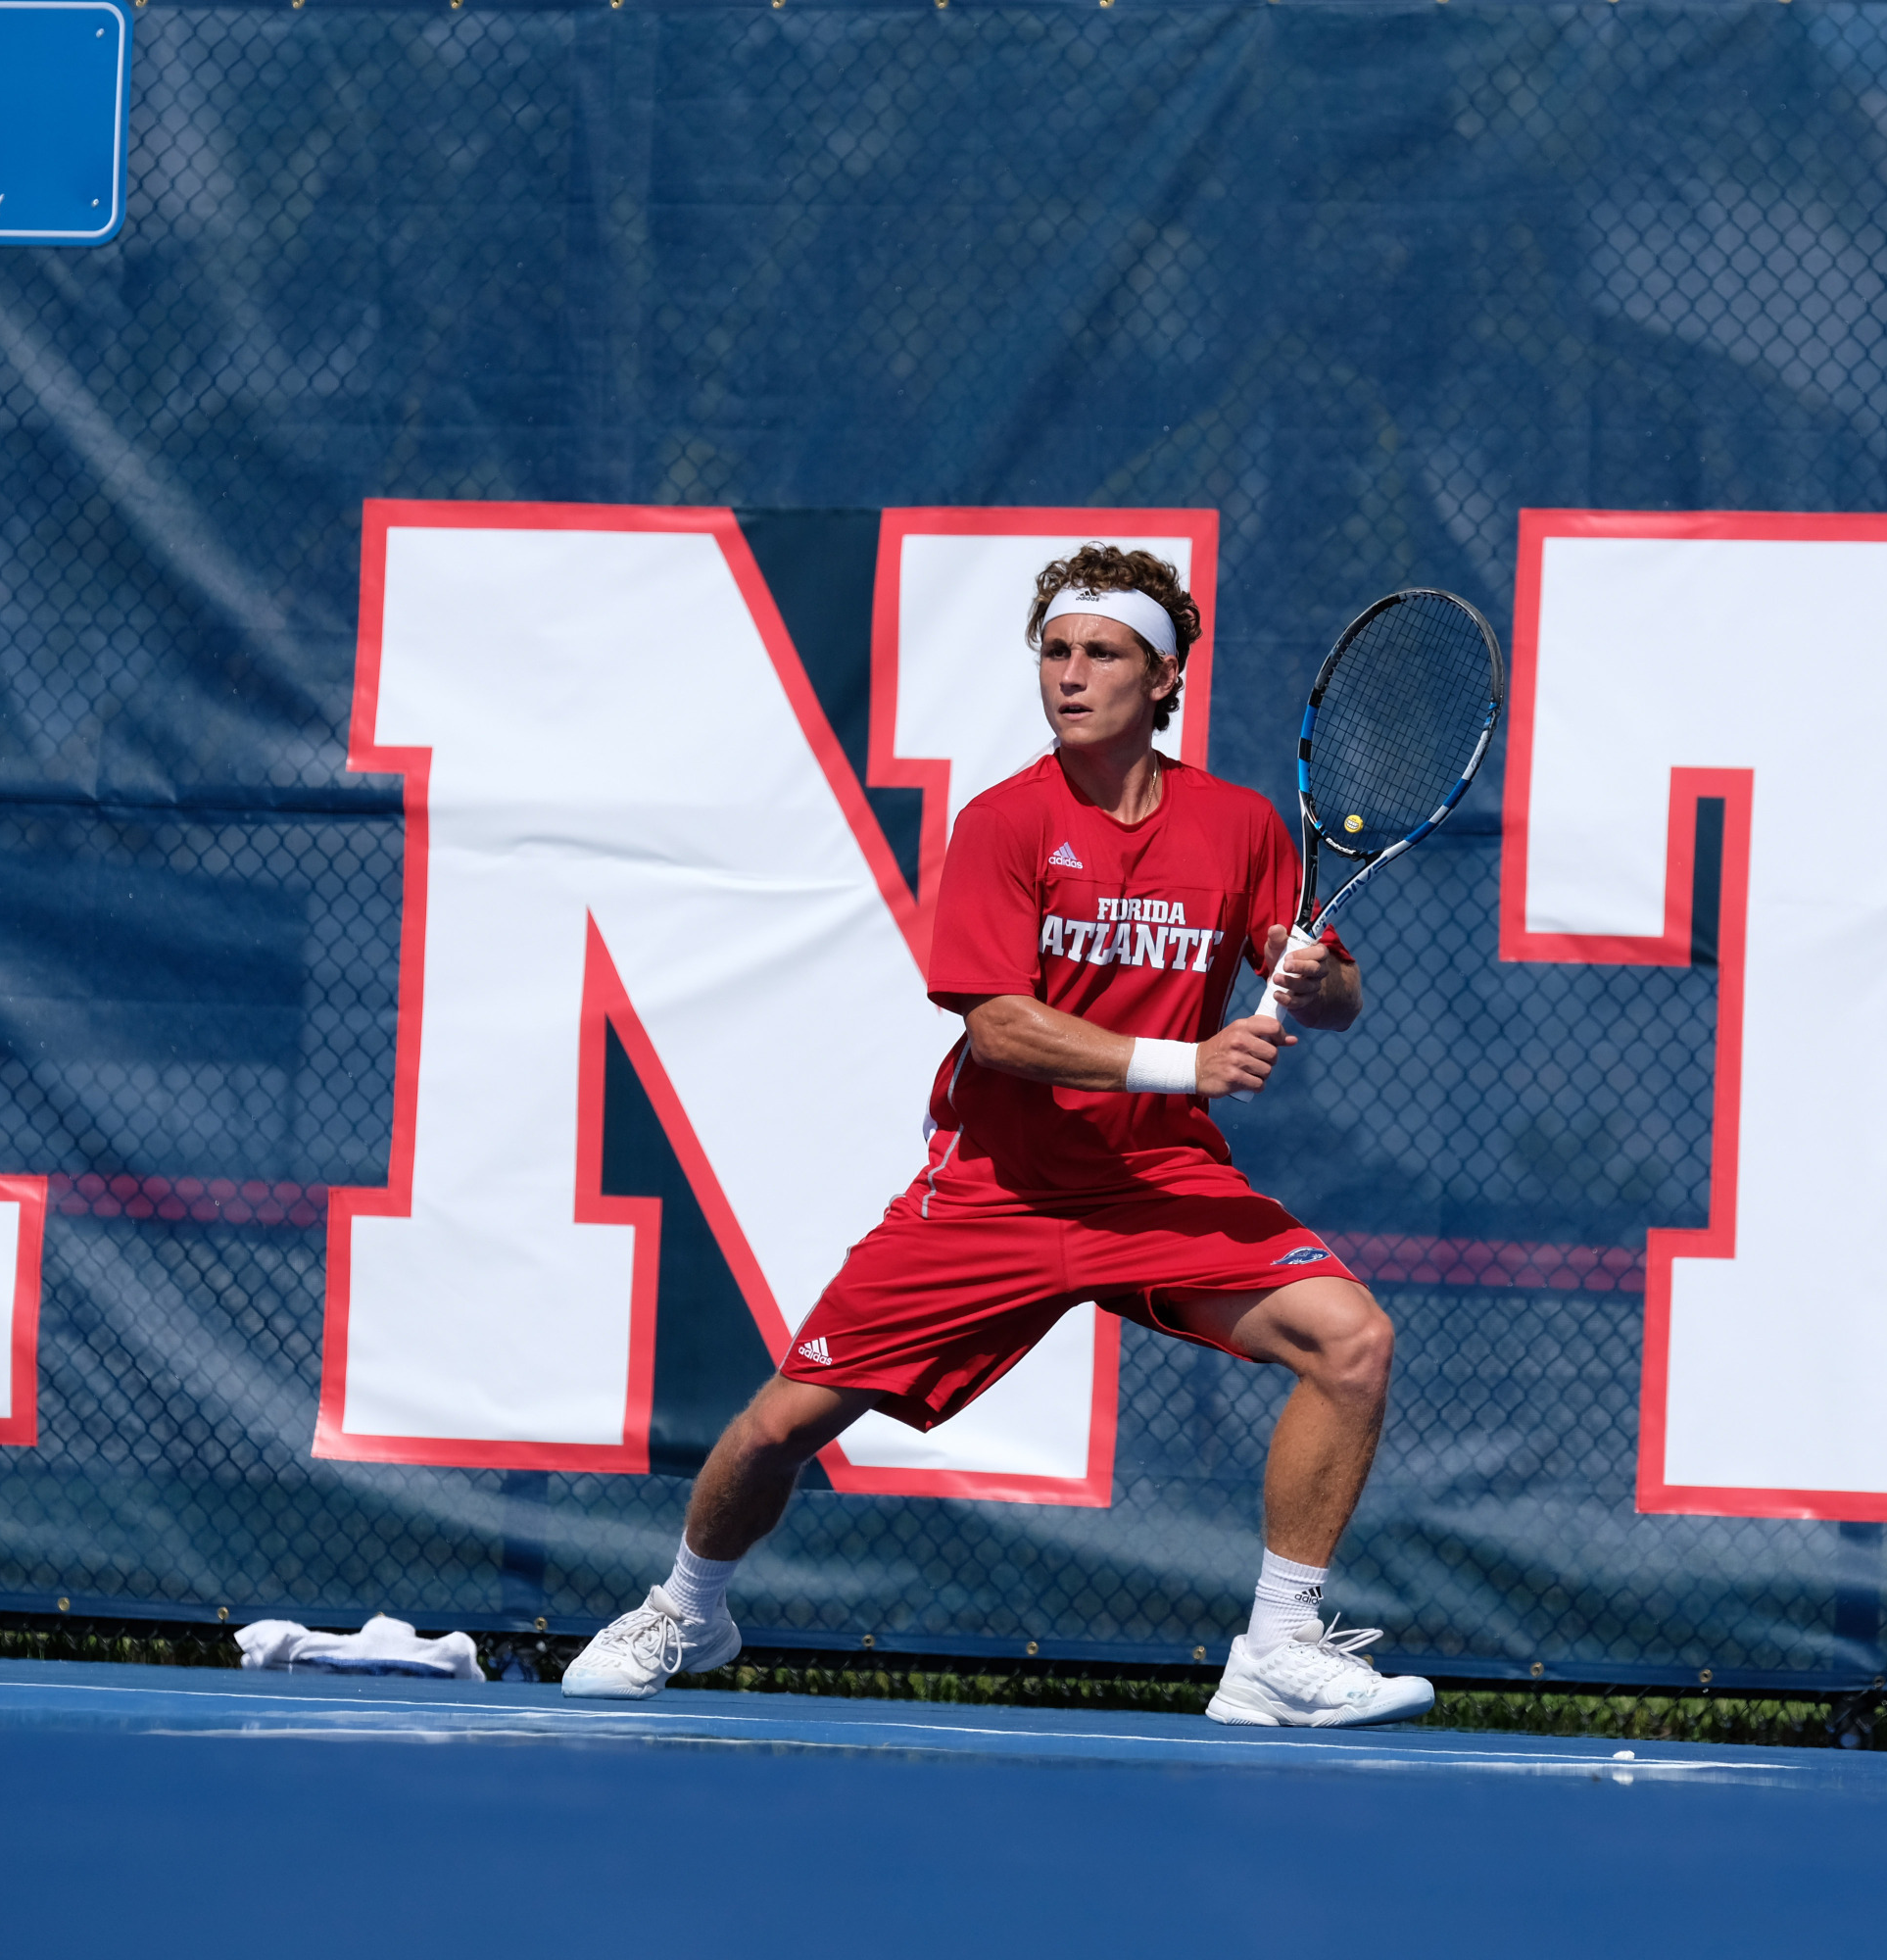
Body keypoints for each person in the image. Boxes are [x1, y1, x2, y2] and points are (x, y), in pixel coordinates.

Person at [562, 544, 1429, 1728]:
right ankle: (686, 1607)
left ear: (1165, 676)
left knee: (1352, 1341)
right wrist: (1187, 1059)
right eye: (1056, 652)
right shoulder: (1005, 823)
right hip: (997, 1190)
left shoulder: (1237, 829)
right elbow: (1002, 1024)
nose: (1070, 676)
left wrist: (1316, 977)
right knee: (781, 1425)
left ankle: (1276, 1644)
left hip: (1155, 1183)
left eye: (1103, 654)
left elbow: (1331, 998)